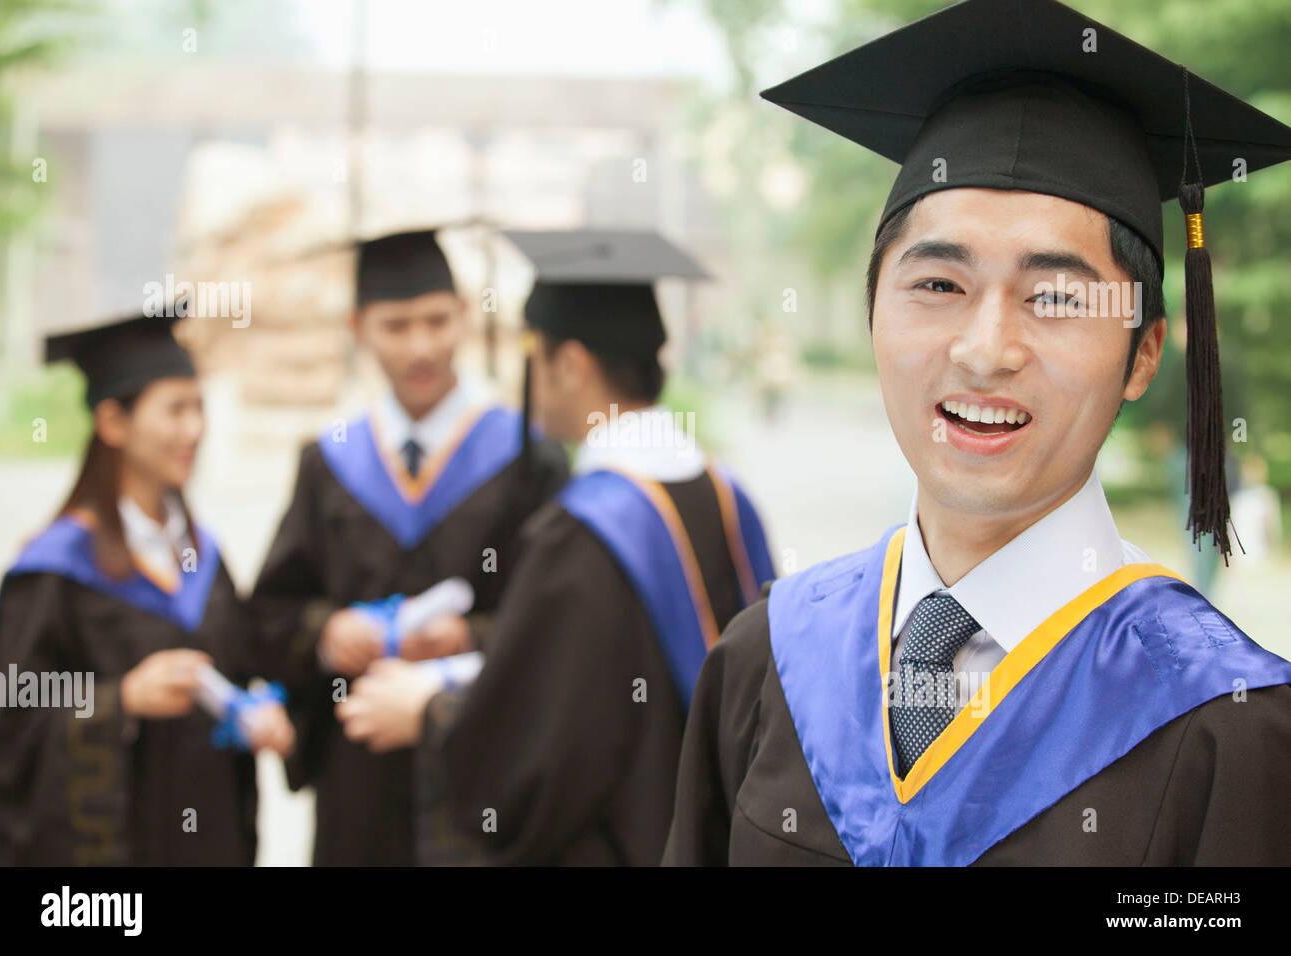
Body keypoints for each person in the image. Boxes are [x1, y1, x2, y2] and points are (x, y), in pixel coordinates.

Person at [663, 0, 1291, 866]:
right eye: (938, 286)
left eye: (1056, 297)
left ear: (1143, 355)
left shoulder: (1228, 727)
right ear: (873, 312)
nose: (985, 350)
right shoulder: (768, 658)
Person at [336, 229, 775, 865]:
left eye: (535, 359)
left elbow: (536, 747)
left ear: (569, 365)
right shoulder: (725, 496)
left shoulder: (582, 535)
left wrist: (431, 713)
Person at [248, 228, 568, 866]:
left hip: (480, 767)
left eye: (436, 321)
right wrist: (326, 632)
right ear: (358, 326)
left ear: (465, 317)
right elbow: (268, 613)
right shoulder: (329, 463)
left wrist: (469, 639)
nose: (421, 347)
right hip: (358, 780)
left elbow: (562, 628)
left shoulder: (528, 460)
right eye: (396, 326)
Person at [0, 311, 294, 866]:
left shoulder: (202, 555)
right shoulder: (55, 570)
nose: (194, 429)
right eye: (174, 409)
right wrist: (119, 699)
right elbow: (11, 705)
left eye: (198, 407)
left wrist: (257, 710)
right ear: (112, 422)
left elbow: (243, 662)